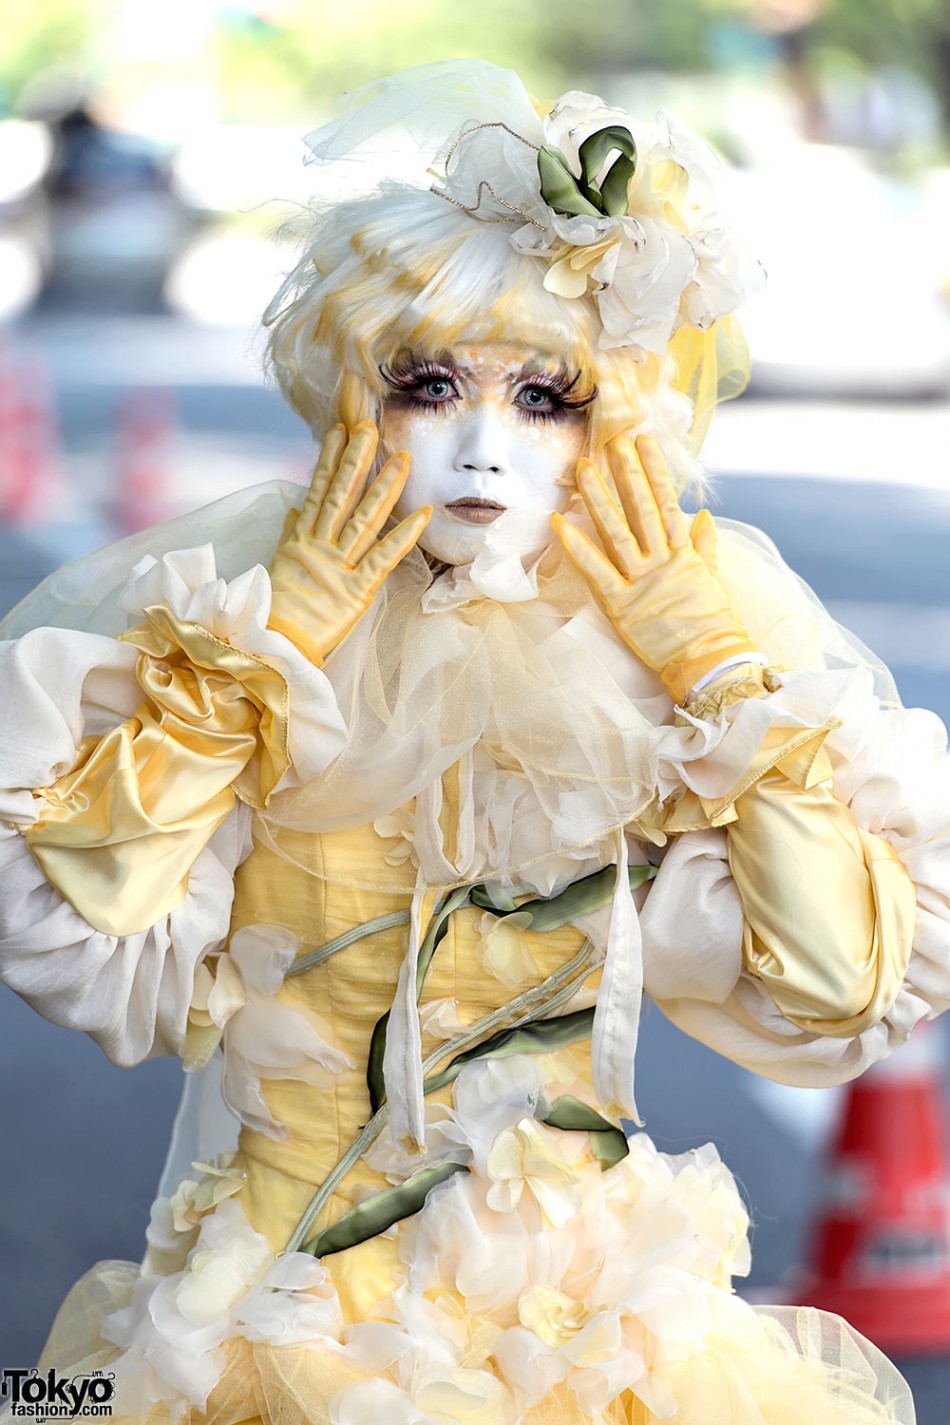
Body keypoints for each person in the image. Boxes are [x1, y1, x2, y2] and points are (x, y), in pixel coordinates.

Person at [1, 59, 947, 1424]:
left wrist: (716, 674)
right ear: (351, 400)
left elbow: (839, 984)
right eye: (429, 384)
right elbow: (84, 927)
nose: (482, 450)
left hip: (595, 1329)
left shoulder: (669, 644)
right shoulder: (240, 635)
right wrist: (264, 660)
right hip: (269, 1320)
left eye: (546, 397)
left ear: (613, 427)